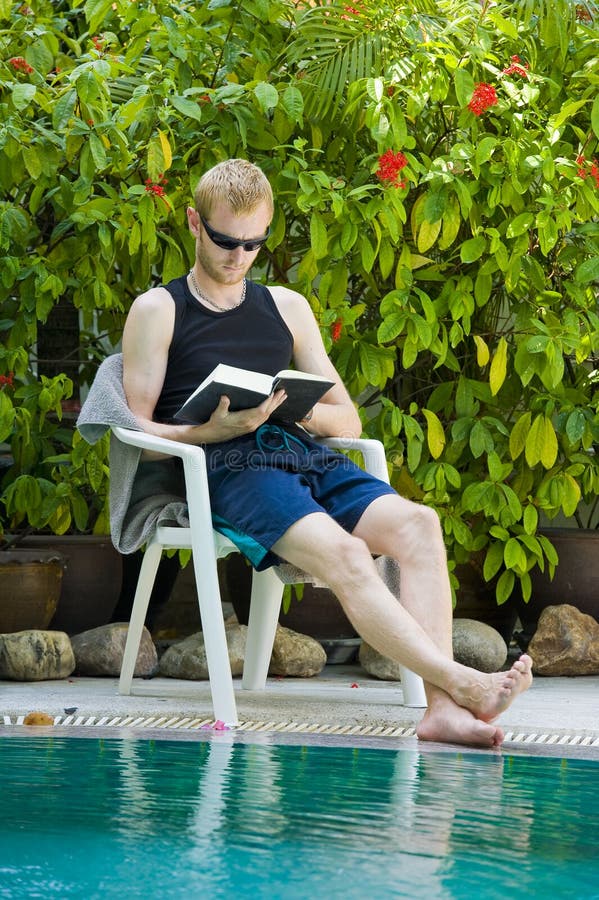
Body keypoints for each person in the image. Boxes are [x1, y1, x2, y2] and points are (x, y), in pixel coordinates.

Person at [122, 158, 532, 748]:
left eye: (254, 244)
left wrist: (291, 405)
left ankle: (442, 710)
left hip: (301, 451)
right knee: (344, 553)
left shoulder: (286, 307)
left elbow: (348, 416)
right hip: (227, 468)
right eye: (225, 241)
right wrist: (208, 435)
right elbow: (135, 428)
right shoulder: (159, 310)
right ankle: (462, 682)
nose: (239, 256)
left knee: (420, 525)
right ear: (193, 222)